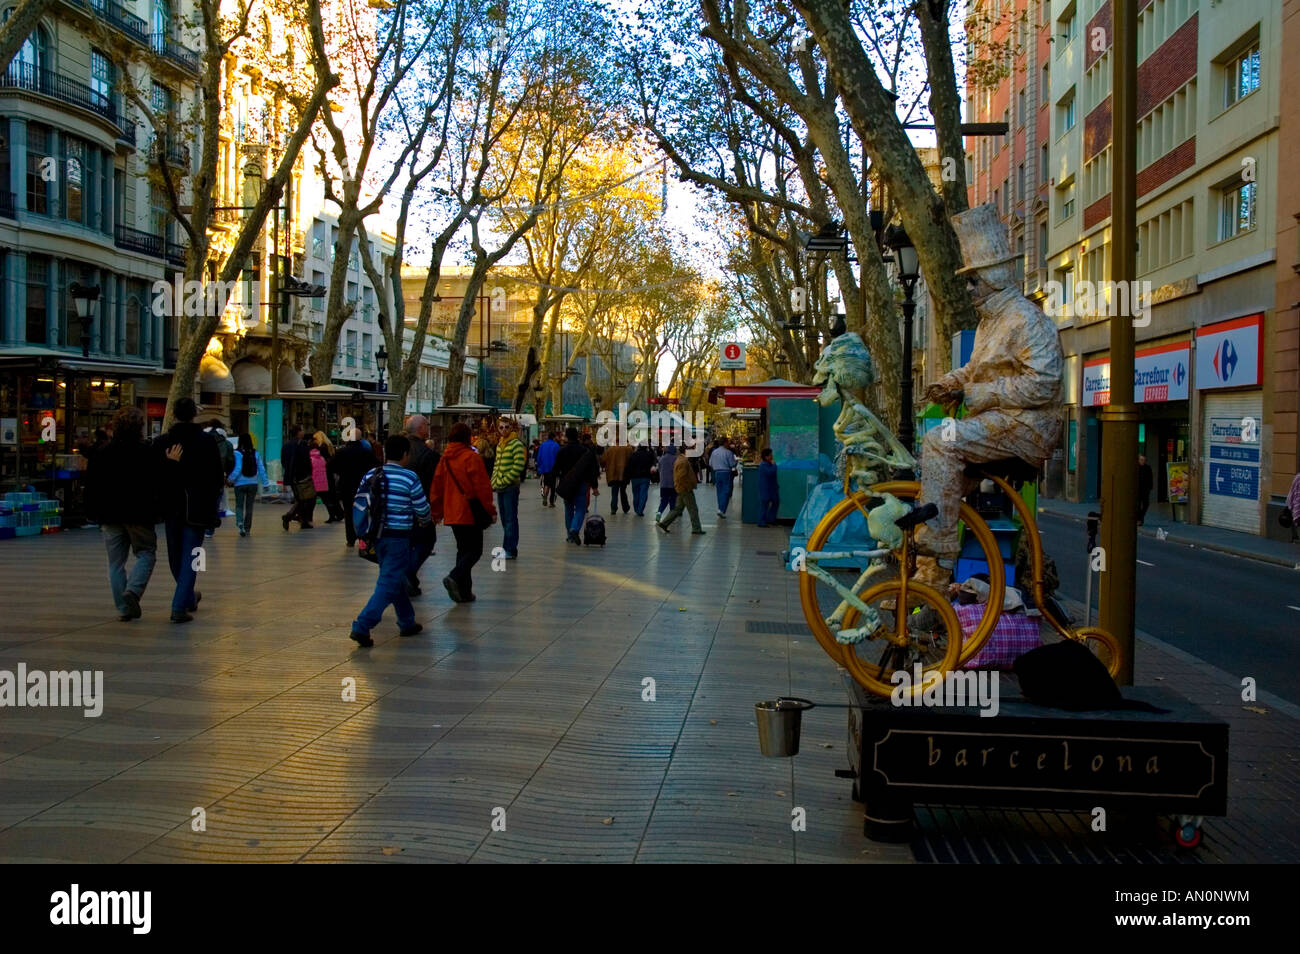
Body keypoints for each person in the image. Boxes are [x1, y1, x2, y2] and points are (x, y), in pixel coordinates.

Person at [911, 203, 1065, 587]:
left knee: (938, 440)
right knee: (936, 491)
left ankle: (940, 543)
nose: (968, 289)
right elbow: (978, 368)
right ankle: (930, 584)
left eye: (973, 280)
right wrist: (949, 383)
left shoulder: (1027, 320)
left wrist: (986, 395)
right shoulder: (989, 323)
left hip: (1027, 425)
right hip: (1000, 421)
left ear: (993, 277)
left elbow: (1045, 382)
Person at [350, 434, 430, 646]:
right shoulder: (409, 477)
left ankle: (407, 621)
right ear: (405, 454)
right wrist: (424, 521)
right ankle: (362, 625)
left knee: (395, 578)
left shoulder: (371, 474)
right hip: (398, 537)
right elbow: (422, 508)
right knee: (388, 582)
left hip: (376, 536)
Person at [84, 406, 163, 621]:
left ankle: (123, 607)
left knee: (115, 564)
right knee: (146, 553)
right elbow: (157, 484)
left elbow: (92, 484)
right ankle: (133, 591)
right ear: (140, 426)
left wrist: (92, 512)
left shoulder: (102, 451)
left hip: (109, 514)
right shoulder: (147, 451)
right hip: (139, 514)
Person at [158, 397, 224, 623]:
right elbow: (216, 477)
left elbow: (154, 477)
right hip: (198, 510)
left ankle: (184, 598)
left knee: (176, 557)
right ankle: (182, 601)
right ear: (194, 415)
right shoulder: (206, 442)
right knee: (193, 556)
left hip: (171, 508)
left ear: (174, 414)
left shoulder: (162, 442)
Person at [430, 422, 497, 602]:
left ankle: (464, 591)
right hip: (470, 511)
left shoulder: (444, 459)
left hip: (452, 512)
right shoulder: (471, 457)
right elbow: (482, 488)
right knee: (475, 550)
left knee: (463, 550)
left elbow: (436, 487)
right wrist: (490, 510)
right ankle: (454, 576)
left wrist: (436, 512)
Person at [401, 414, 440, 595]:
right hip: (420, 504)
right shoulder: (428, 454)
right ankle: (408, 573)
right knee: (426, 540)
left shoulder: (401, 448)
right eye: (426, 425)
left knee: (409, 541)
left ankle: (409, 577)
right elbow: (434, 483)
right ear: (421, 428)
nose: (428, 428)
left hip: (400, 505)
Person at [554, 427, 600, 544]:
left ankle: (570, 535)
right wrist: (594, 486)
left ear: (566, 437)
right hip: (582, 483)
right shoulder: (585, 451)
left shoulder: (561, 450)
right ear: (578, 436)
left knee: (568, 509)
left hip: (567, 483)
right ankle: (574, 529)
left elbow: (556, 469)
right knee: (581, 508)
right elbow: (592, 470)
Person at [331, 434, 378, 548]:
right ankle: (363, 536)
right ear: (360, 439)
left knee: (348, 512)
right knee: (364, 510)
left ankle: (350, 538)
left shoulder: (341, 452)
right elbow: (376, 466)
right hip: (363, 486)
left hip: (346, 486)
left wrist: (341, 472)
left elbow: (331, 466)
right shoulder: (366, 452)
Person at [490, 417, 526, 559]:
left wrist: (505, 480)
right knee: (505, 518)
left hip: (510, 487)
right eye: (501, 427)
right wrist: (494, 481)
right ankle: (508, 547)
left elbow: (518, 466)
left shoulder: (515, 444)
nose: (504, 430)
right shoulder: (500, 444)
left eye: (506, 427)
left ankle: (510, 549)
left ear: (511, 428)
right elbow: (496, 465)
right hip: (500, 487)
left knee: (510, 518)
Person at [657, 447, 705, 535]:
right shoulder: (683, 461)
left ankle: (664, 523)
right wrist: (685, 486)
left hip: (682, 488)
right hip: (685, 489)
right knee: (693, 508)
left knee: (678, 509)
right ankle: (696, 528)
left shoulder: (680, 460)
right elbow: (680, 476)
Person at [231, 433, 268, 536]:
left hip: (239, 484)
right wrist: (265, 483)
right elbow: (261, 468)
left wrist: (230, 478)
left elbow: (238, 468)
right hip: (253, 483)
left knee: (239, 505)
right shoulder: (255, 453)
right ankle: (247, 529)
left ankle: (240, 524)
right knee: (249, 506)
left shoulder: (237, 453)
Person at [204, 419, 236, 535]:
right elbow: (231, 461)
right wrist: (227, 474)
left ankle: (202, 525)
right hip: (218, 478)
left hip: (201, 478)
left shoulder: (201, 440)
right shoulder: (227, 444)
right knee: (215, 503)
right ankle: (209, 529)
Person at [281, 425, 314, 530]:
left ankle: (301, 520)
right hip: (302, 476)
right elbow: (306, 461)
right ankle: (289, 517)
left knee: (299, 499)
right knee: (306, 499)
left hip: (291, 476)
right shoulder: (303, 444)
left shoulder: (285, 445)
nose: (304, 432)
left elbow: (283, 461)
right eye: (302, 430)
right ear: (298, 432)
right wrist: (309, 472)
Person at [311, 431, 344, 523]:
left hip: (324, 473)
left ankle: (335, 514)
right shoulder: (329, 445)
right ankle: (339, 513)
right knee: (332, 495)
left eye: (315, 438)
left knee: (328, 496)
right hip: (329, 472)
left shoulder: (322, 447)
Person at [708, 437, 738, 518]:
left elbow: (710, 463)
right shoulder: (728, 453)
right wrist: (736, 462)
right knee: (726, 491)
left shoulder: (714, 452)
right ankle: (721, 509)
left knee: (719, 491)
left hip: (717, 473)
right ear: (724, 443)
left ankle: (720, 508)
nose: (728, 444)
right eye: (727, 442)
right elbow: (732, 464)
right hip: (726, 473)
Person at [626, 442, 657, 517]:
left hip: (634, 478)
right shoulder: (649, 454)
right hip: (645, 477)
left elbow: (629, 466)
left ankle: (636, 509)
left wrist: (628, 476)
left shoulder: (634, 454)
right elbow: (654, 461)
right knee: (643, 494)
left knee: (636, 494)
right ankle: (640, 510)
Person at [602, 441, 632, 515]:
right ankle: (625, 507)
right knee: (623, 491)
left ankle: (613, 508)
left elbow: (603, 461)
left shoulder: (609, 450)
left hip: (613, 474)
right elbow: (631, 459)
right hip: (623, 474)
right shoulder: (628, 449)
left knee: (614, 492)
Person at [537, 430, 561, 507]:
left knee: (546, 483)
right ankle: (551, 502)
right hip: (554, 468)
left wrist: (540, 467)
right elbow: (559, 458)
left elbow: (539, 457)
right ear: (554, 437)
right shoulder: (556, 445)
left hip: (545, 468)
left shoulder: (542, 445)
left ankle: (545, 496)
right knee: (553, 486)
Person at [757, 448, 780, 527]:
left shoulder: (767, 464)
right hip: (766, 489)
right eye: (770, 455)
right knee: (765, 505)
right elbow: (771, 472)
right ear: (766, 457)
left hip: (772, 488)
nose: (772, 456)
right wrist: (774, 465)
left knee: (776, 502)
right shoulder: (764, 465)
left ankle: (771, 518)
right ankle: (761, 521)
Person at [657, 443, 679, 517]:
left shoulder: (662, 458)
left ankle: (659, 512)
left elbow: (659, 469)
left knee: (663, 500)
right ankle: (671, 516)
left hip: (663, 484)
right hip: (673, 484)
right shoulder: (676, 459)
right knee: (673, 500)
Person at [1137, 454, 1154, 526]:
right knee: (1137, 505)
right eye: (1141, 460)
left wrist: (1150, 487)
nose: (1143, 461)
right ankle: (1139, 519)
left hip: (1145, 489)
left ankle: (1141, 517)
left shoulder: (1147, 468)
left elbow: (1150, 478)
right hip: (1137, 489)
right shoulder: (1136, 467)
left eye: (1144, 460)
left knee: (1146, 504)